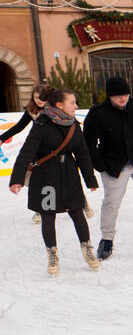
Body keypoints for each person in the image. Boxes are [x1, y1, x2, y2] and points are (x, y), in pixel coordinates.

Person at [7, 87, 101, 276]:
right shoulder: (42, 124)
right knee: (48, 215)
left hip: (69, 176)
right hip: (46, 178)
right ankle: (52, 253)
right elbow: (26, 153)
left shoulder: (74, 125)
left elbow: (82, 154)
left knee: (77, 211)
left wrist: (90, 179)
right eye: (72, 102)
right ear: (60, 105)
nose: (76, 106)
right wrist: (17, 179)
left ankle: (87, 248)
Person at [83, 75, 133, 258]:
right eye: (118, 95)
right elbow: (89, 143)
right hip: (113, 165)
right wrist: (100, 165)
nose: (123, 98)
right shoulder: (97, 113)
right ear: (110, 96)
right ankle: (107, 240)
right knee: (112, 203)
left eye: (125, 94)